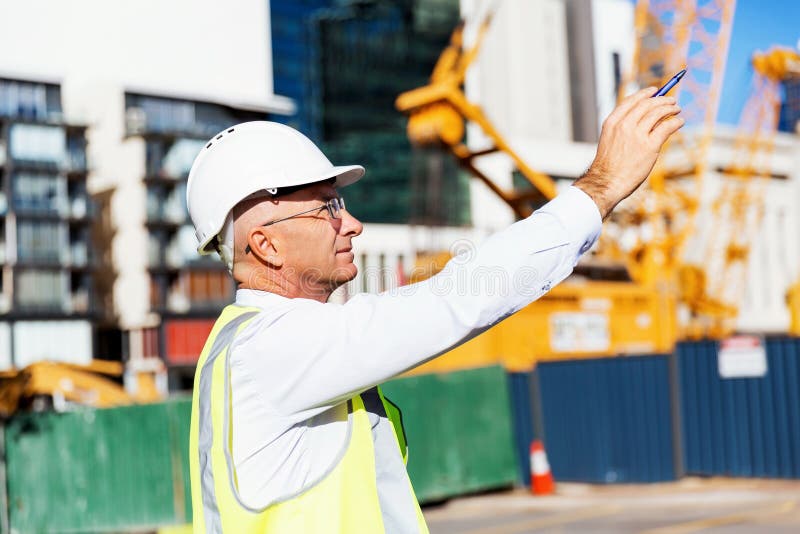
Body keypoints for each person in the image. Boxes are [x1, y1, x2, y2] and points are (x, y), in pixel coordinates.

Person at [186, 87, 683, 533]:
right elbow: (456, 298)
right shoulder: (271, 347)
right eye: (329, 207)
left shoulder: (252, 348)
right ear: (266, 245)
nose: (353, 224)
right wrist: (600, 188)